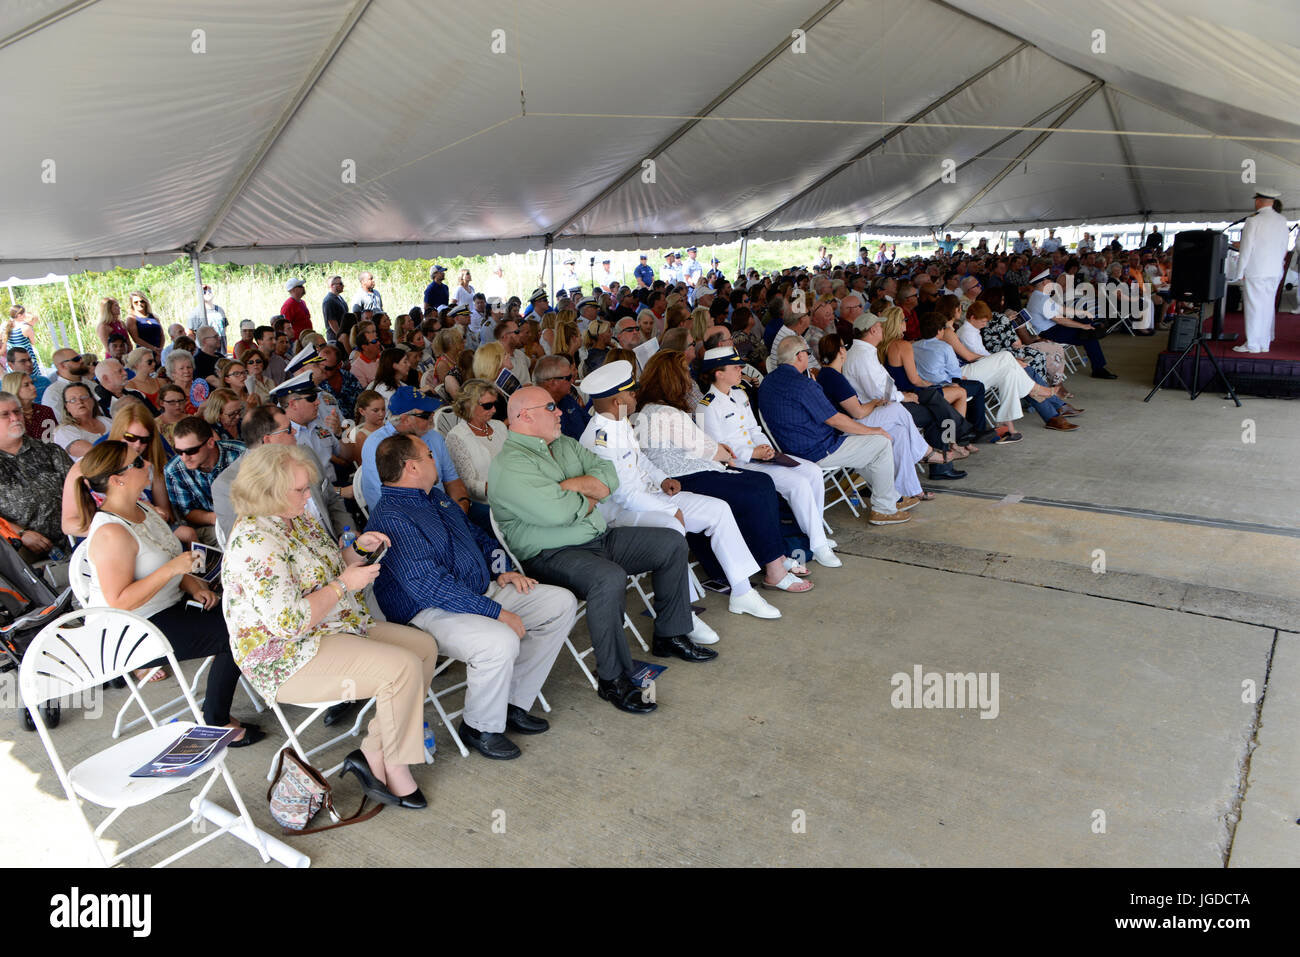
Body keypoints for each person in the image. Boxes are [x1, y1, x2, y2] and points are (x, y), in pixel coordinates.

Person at [223, 443, 437, 807]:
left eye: (307, 487)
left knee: (423, 648)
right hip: (284, 655)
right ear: (268, 491)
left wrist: (359, 551)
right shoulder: (255, 540)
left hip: (330, 625)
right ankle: (396, 765)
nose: (308, 496)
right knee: (400, 668)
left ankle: (374, 752)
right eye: (300, 490)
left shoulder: (295, 515)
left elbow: (325, 566)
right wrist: (344, 586)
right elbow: (288, 622)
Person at [488, 386, 718, 714]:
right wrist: (587, 493)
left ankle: (670, 634)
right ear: (525, 416)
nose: (560, 412)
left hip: (597, 539)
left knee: (670, 541)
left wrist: (570, 488)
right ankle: (613, 679)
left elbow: (609, 478)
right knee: (608, 579)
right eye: (551, 407)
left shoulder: (565, 444)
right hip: (551, 555)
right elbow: (558, 513)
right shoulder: (510, 465)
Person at [367, 433, 574, 760]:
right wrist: (496, 612)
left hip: (477, 590)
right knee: (499, 641)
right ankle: (480, 727)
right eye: (429, 454)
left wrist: (502, 568)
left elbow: (479, 536)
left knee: (560, 604)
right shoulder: (392, 516)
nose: (436, 458)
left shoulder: (435, 497)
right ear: (411, 467)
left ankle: (511, 703)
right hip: (428, 612)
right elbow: (430, 586)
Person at [75, 441, 262, 741]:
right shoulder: (111, 531)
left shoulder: (142, 509)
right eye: (137, 463)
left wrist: (190, 583)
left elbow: (164, 555)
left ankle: (229, 690)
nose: (147, 464)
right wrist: (175, 571)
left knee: (246, 610)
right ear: (116, 479)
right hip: (132, 629)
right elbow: (119, 600)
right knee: (237, 631)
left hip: (167, 606)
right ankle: (216, 721)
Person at [583, 360, 798, 620]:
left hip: (650, 495)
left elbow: (642, 461)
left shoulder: (618, 422)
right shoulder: (601, 438)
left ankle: (742, 593)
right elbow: (624, 495)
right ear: (617, 402)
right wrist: (668, 508)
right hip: (624, 511)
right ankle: (684, 611)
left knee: (718, 510)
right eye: (630, 393)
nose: (635, 395)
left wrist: (662, 479)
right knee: (673, 527)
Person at [632, 352, 815, 600]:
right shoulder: (663, 411)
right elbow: (705, 447)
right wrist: (723, 452)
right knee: (755, 489)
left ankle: (776, 557)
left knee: (759, 483)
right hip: (683, 478)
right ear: (672, 378)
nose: (689, 377)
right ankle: (774, 567)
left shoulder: (655, 408)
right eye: (684, 372)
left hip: (688, 472)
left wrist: (720, 452)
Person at [694, 348, 840, 565]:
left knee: (813, 471)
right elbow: (719, 449)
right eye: (735, 367)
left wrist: (765, 447)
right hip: (740, 464)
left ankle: (814, 532)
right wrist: (753, 453)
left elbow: (754, 429)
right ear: (719, 373)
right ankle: (818, 545)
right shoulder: (706, 406)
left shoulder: (740, 394)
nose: (740, 370)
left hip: (761, 456)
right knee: (797, 483)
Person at [757, 336, 910, 525]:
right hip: (817, 450)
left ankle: (892, 497)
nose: (808, 357)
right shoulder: (802, 385)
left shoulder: (767, 383)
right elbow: (836, 420)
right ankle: (884, 509)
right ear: (799, 356)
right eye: (807, 353)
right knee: (881, 443)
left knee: (864, 444)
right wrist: (873, 430)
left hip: (790, 448)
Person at [815, 334, 937, 500]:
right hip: (849, 428)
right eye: (844, 347)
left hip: (850, 423)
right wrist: (873, 403)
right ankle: (924, 452)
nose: (846, 350)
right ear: (840, 351)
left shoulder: (829, 374)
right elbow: (857, 412)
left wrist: (874, 404)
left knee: (900, 432)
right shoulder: (834, 377)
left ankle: (911, 489)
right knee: (896, 409)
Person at [359, 386, 467, 513]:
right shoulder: (376, 446)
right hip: (403, 520)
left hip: (443, 510)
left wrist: (461, 506)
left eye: (432, 411)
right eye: (426, 414)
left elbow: (452, 480)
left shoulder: (433, 436)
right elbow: (393, 504)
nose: (433, 415)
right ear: (405, 419)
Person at [0, 391, 72, 559]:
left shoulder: (49, 450)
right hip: (21, 551)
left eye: (17, 411)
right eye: (5, 414)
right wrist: (21, 533)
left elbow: (79, 490)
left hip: (72, 539)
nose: (15, 418)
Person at [163, 416, 243, 544]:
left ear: (210, 443)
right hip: (211, 525)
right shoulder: (173, 470)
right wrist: (216, 518)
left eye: (191, 451)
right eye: (178, 451)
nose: (184, 458)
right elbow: (186, 511)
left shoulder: (240, 453)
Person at [1024, 270, 1115, 378]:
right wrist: (1082, 326)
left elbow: (1062, 309)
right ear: (1044, 282)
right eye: (1050, 280)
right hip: (1049, 332)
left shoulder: (1038, 296)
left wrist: (1083, 312)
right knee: (1089, 336)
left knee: (1084, 322)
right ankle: (1098, 367)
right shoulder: (1042, 299)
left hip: (1051, 329)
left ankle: (1095, 328)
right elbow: (1060, 320)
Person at [443, 378, 507, 531]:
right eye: (487, 406)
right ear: (469, 405)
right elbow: (467, 485)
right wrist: (501, 488)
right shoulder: (456, 437)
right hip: (485, 504)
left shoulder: (499, 427)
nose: (494, 410)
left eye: (494, 404)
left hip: (511, 494)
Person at [1232, 188, 1290, 353]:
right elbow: (1284, 247)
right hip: (1275, 271)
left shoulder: (1254, 221)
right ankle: (1264, 343)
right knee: (1266, 307)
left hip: (1256, 270)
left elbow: (1246, 249)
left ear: (1258, 201)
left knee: (1253, 308)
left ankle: (1252, 344)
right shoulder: (1281, 220)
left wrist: (1240, 271)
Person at [533, 354, 590, 441]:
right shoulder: (536, 413)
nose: (572, 380)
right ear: (552, 382)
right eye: (568, 378)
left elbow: (590, 423)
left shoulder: (566, 398)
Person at [52, 382, 112, 461]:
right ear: (67, 407)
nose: (79, 402)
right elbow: (94, 452)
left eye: (84, 397)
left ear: (92, 400)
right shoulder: (64, 431)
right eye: (73, 400)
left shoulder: (107, 421)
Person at [2, 370, 56, 441]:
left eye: (32, 383)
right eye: (26, 385)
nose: (33, 387)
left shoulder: (45, 411)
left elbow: (55, 438)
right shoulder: (8, 417)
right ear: (15, 388)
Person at [341, 390, 385, 466]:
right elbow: (363, 466)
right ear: (362, 411)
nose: (381, 414)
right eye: (375, 410)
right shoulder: (360, 437)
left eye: (383, 409)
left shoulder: (389, 426)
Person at [188, 286, 228, 350]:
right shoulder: (195, 313)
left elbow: (224, 328)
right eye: (204, 292)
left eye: (209, 291)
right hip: (205, 351)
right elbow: (190, 333)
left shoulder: (220, 310)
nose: (208, 293)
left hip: (221, 350)